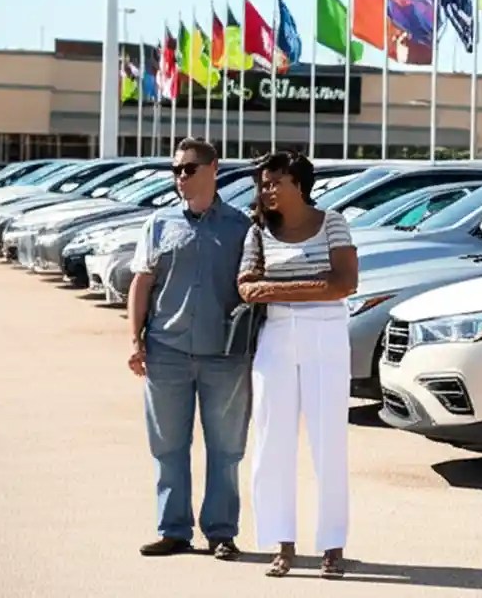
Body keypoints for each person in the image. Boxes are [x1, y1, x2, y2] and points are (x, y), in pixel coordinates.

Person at [126, 137, 253, 560]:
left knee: (226, 449)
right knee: (167, 447)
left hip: (225, 357)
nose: (181, 176)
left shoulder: (242, 227)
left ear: (213, 168)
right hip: (167, 352)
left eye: (189, 168)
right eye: (176, 170)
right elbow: (142, 282)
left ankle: (221, 533)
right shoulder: (159, 225)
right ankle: (173, 530)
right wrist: (135, 340)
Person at [236, 150, 359, 579]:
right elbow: (247, 287)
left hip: (326, 335)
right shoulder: (257, 232)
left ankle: (332, 545)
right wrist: (312, 286)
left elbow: (344, 283)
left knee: (329, 443)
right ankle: (281, 542)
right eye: (263, 183)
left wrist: (282, 287)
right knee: (272, 441)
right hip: (277, 337)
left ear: (299, 185)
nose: (267, 190)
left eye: (276, 182)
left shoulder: (333, 223)